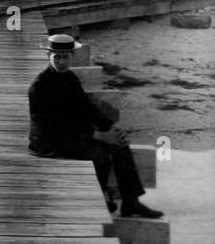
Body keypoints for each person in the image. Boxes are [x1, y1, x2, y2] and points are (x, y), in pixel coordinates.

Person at [28, 34, 162, 218]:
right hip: (49, 142)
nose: (61, 61)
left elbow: (86, 109)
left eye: (65, 57)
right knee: (99, 155)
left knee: (119, 145)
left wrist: (111, 127)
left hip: (71, 135)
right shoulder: (40, 86)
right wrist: (96, 135)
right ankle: (98, 201)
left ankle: (131, 202)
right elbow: (56, 127)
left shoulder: (70, 78)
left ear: (72, 56)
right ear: (48, 56)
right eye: (56, 57)